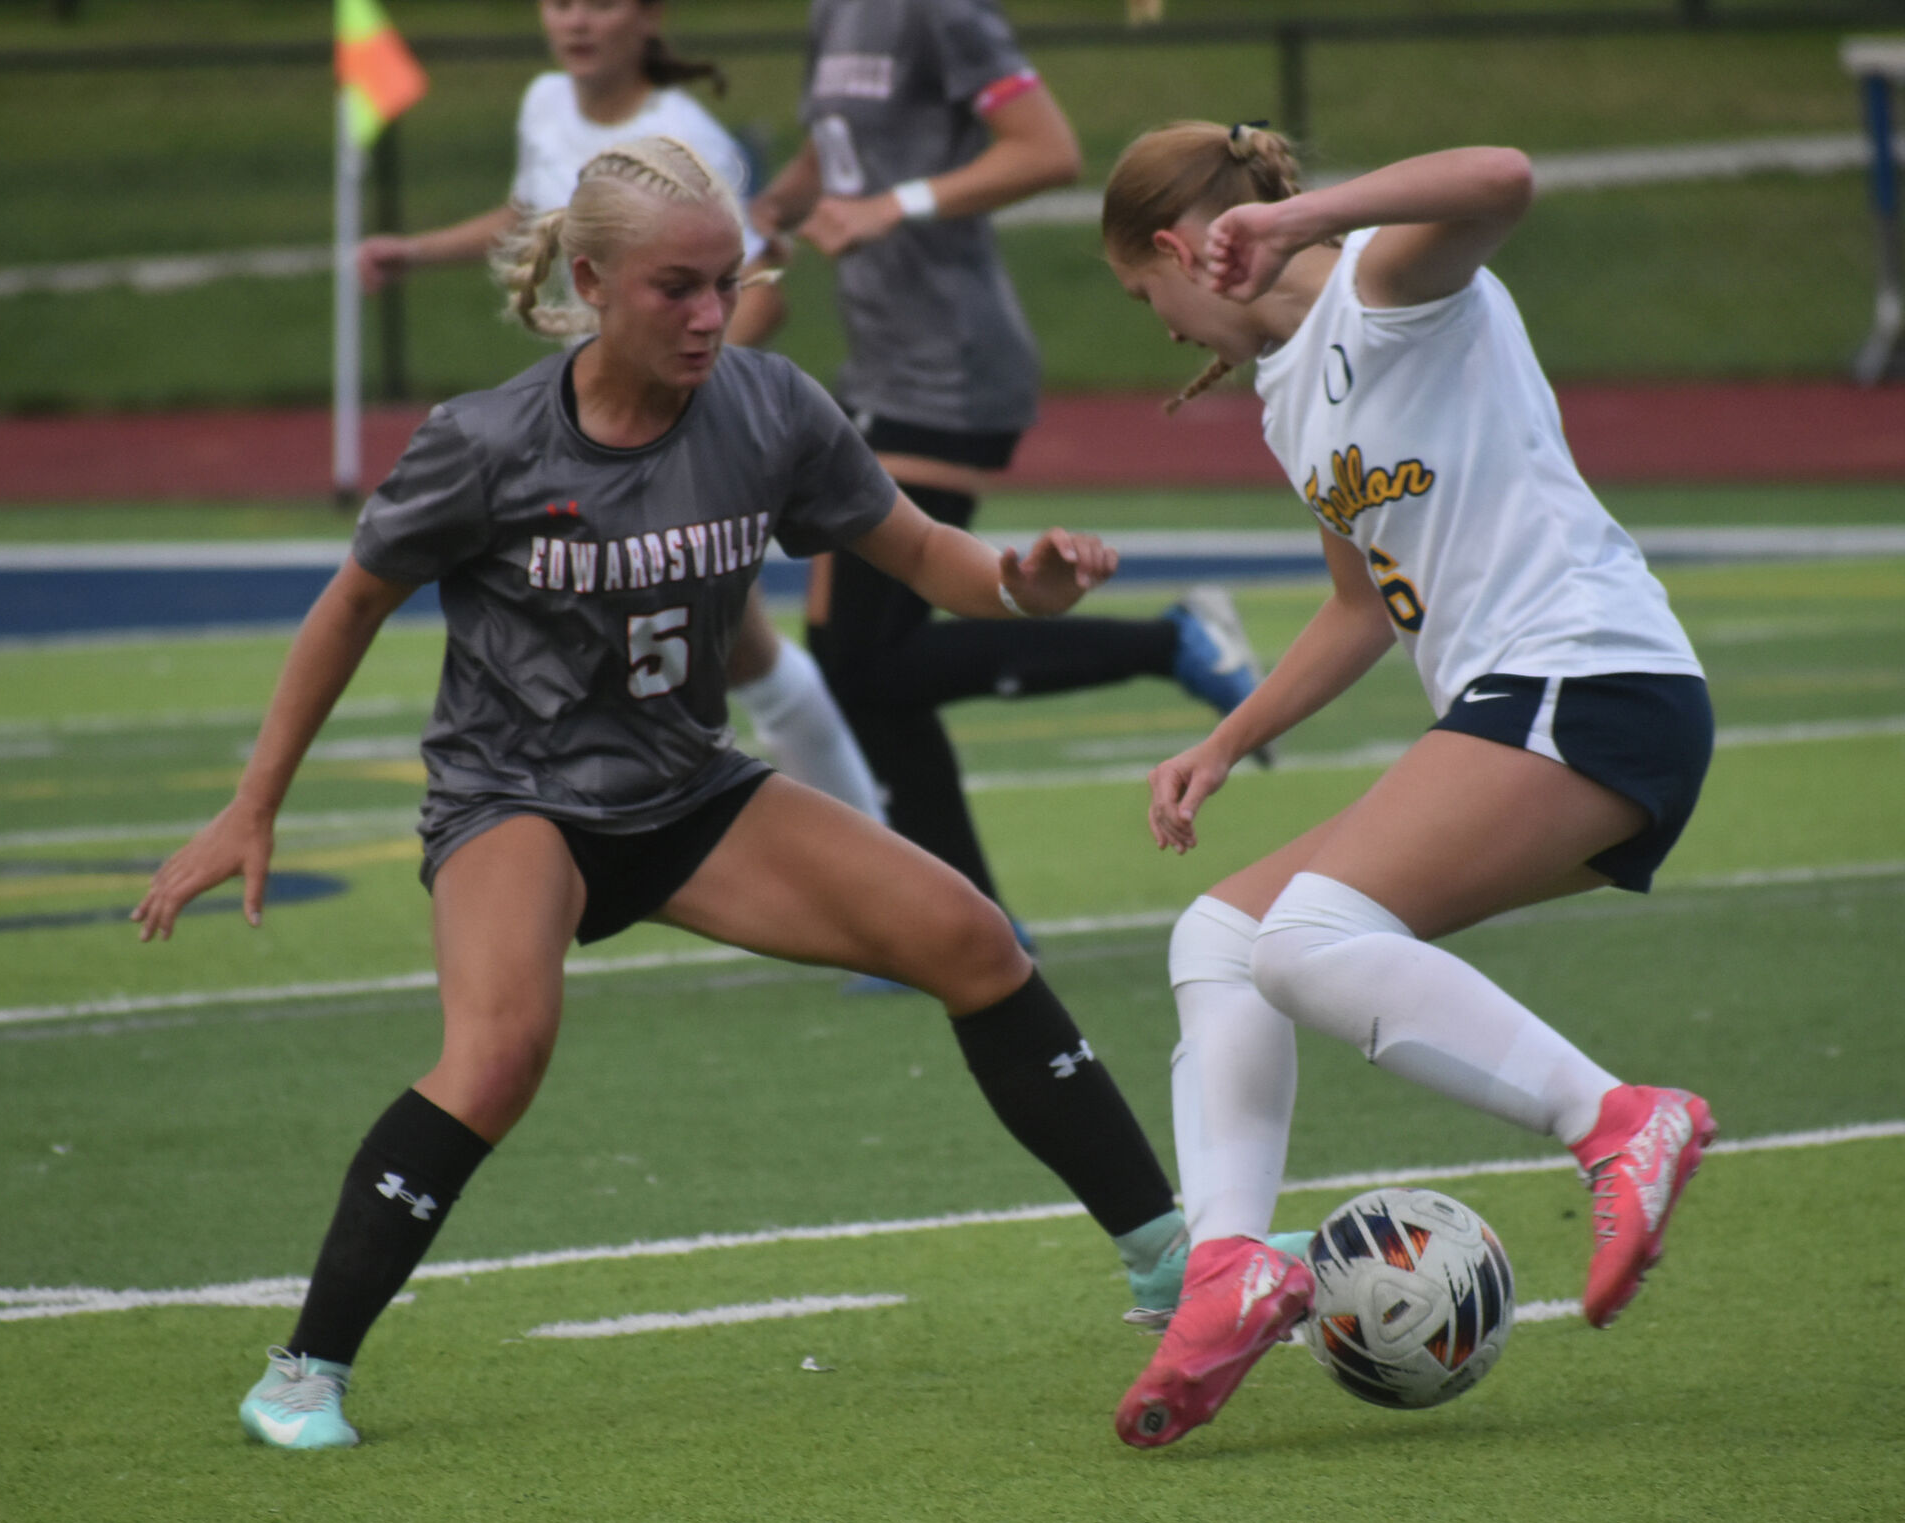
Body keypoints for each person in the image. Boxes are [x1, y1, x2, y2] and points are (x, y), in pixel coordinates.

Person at [133, 136, 1195, 1450]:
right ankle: (303, 1370)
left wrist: (1021, 581)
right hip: (514, 795)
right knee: (500, 1055)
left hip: (686, 788)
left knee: (972, 938)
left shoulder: (773, 406)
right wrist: (255, 801)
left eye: (728, 282)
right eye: (676, 288)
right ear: (590, 279)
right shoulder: (483, 442)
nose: (711, 315)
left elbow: (925, 555)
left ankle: (1168, 1265)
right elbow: (353, 601)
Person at [1097, 122, 1719, 1449]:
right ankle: (1228, 1269)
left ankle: (1616, 1117)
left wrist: (1300, 218)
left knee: (1314, 940)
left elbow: (1506, 176)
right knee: (1222, 932)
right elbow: (1358, 610)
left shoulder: (1387, 285)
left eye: (1142, 295)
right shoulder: (1280, 390)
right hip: (1523, 706)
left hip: (1593, 680)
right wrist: (1223, 739)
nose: (1156, 329)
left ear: (1176, 246)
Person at [747, 0, 1269, 917]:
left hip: (948, 367)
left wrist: (893, 206)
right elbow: (843, 149)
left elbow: (1046, 150)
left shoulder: (940, 12)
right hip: (879, 367)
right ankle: (965, 914)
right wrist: (773, 207)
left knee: (865, 662)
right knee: (856, 664)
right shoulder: (836, 12)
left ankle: (1169, 643)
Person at [356, 0, 882, 824]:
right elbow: (532, 220)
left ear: (650, 17)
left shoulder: (685, 139)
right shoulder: (542, 102)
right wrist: (415, 251)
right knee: (742, 659)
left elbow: (754, 296)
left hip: (661, 441)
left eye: (599, 3)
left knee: (737, 664)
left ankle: (865, 864)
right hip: (593, 434)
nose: (575, 21)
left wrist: (677, 417)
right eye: (559, 2)